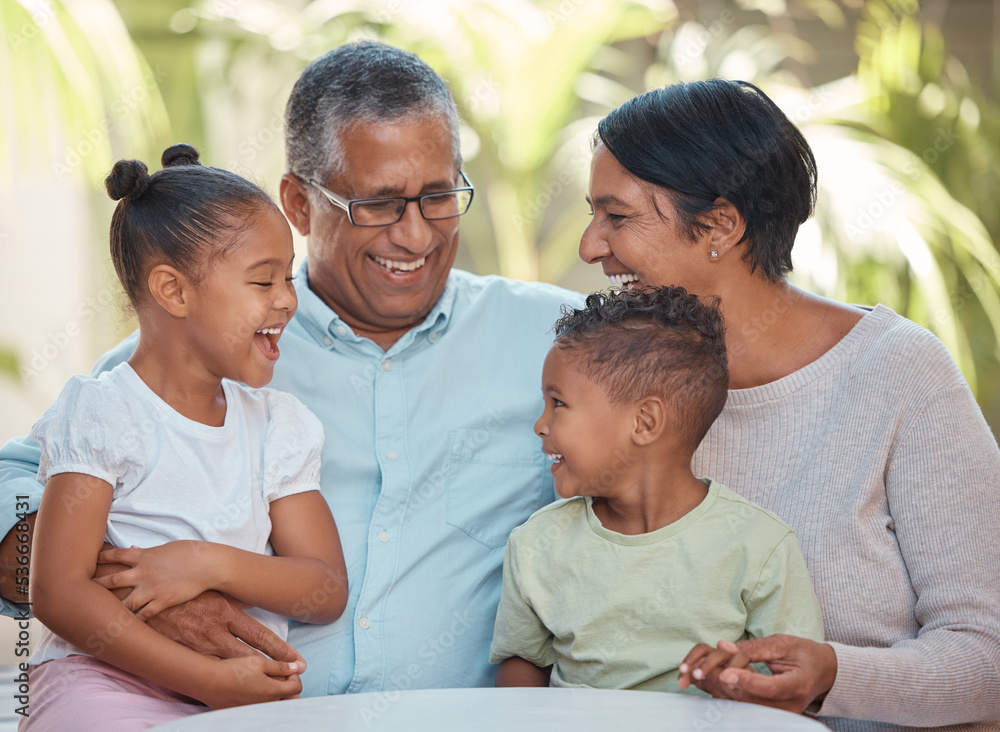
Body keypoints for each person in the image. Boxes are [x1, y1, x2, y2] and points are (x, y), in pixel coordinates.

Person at [0, 41, 580, 697]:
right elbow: (17, 489)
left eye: (438, 196)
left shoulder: (560, 341)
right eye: (380, 204)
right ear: (299, 204)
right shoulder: (203, 349)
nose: (416, 236)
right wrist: (126, 595)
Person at [579, 79, 1000, 730]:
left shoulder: (898, 373)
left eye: (617, 217)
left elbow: (988, 656)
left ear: (720, 225)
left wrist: (834, 676)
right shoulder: (613, 394)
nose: (589, 246)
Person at [21, 145, 348, 730]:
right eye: (261, 280)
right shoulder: (103, 412)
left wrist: (205, 562)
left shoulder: (277, 426)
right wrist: (204, 680)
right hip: (103, 682)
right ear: (174, 291)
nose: (287, 300)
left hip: (240, 690)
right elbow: (58, 590)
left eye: (287, 278)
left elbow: (323, 588)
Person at [489, 286, 824, 693]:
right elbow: (522, 658)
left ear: (645, 422)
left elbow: (792, 683)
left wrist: (735, 683)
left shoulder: (759, 546)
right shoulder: (536, 543)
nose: (540, 424)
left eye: (557, 403)